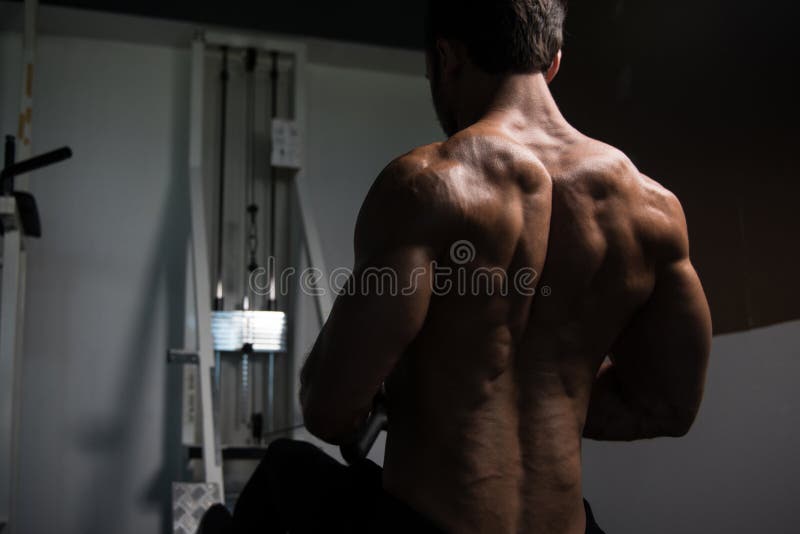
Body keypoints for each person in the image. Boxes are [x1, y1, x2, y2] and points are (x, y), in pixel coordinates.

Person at [229, 1, 713, 532]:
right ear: (553, 60)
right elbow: (668, 406)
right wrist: (557, 386)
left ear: (447, 58)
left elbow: (329, 409)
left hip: (430, 524)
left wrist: (440, 384)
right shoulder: (652, 210)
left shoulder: (427, 185)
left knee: (284, 472)